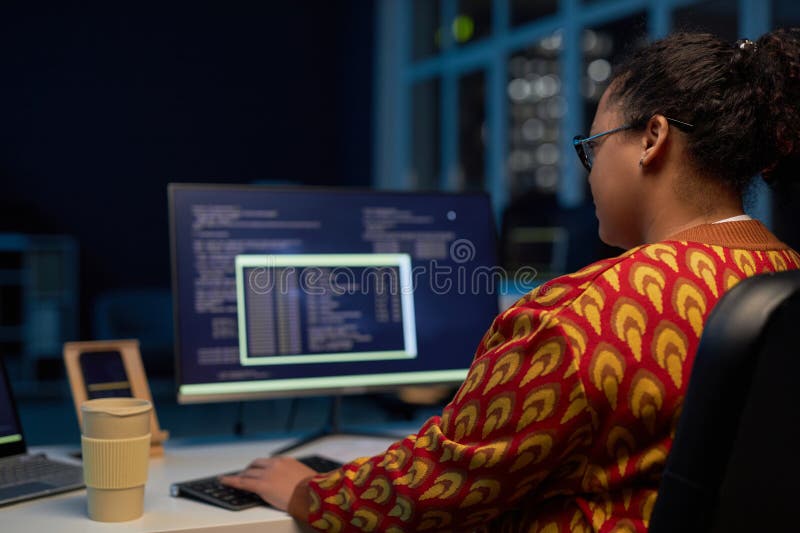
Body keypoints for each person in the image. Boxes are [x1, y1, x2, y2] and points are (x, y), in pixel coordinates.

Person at [221, 29, 800, 532]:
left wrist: (305, 489)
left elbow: (434, 490)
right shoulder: (785, 278)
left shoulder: (581, 316)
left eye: (592, 147)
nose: (591, 170)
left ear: (652, 140)